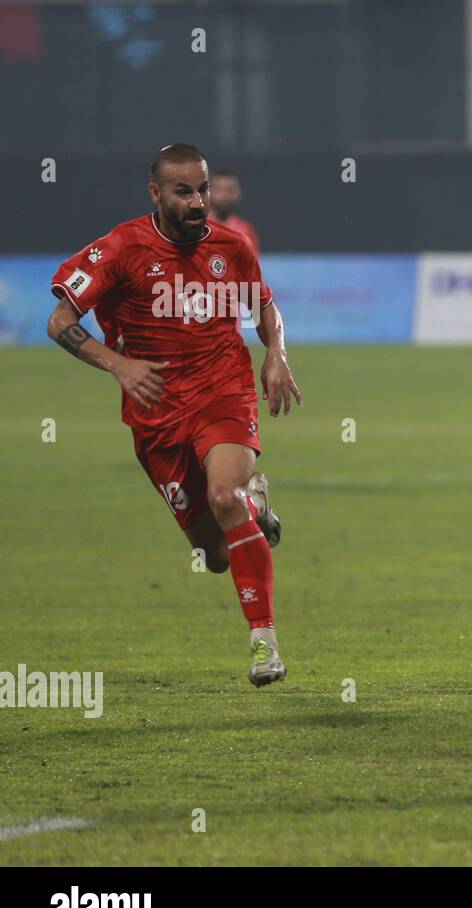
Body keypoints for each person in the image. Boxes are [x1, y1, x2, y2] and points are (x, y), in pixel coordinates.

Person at [46, 144, 302, 686]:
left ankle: (264, 644)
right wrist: (117, 364)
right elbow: (59, 319)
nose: (197, 202)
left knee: (224, 497)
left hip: (221, 392)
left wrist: (276, 352)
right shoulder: (121, 247)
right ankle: (255, 509)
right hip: (155, 414)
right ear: (156, 193)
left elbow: (264, 306)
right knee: (213, 554)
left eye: (203, 189)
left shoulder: (232, 247)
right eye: (183, 191)